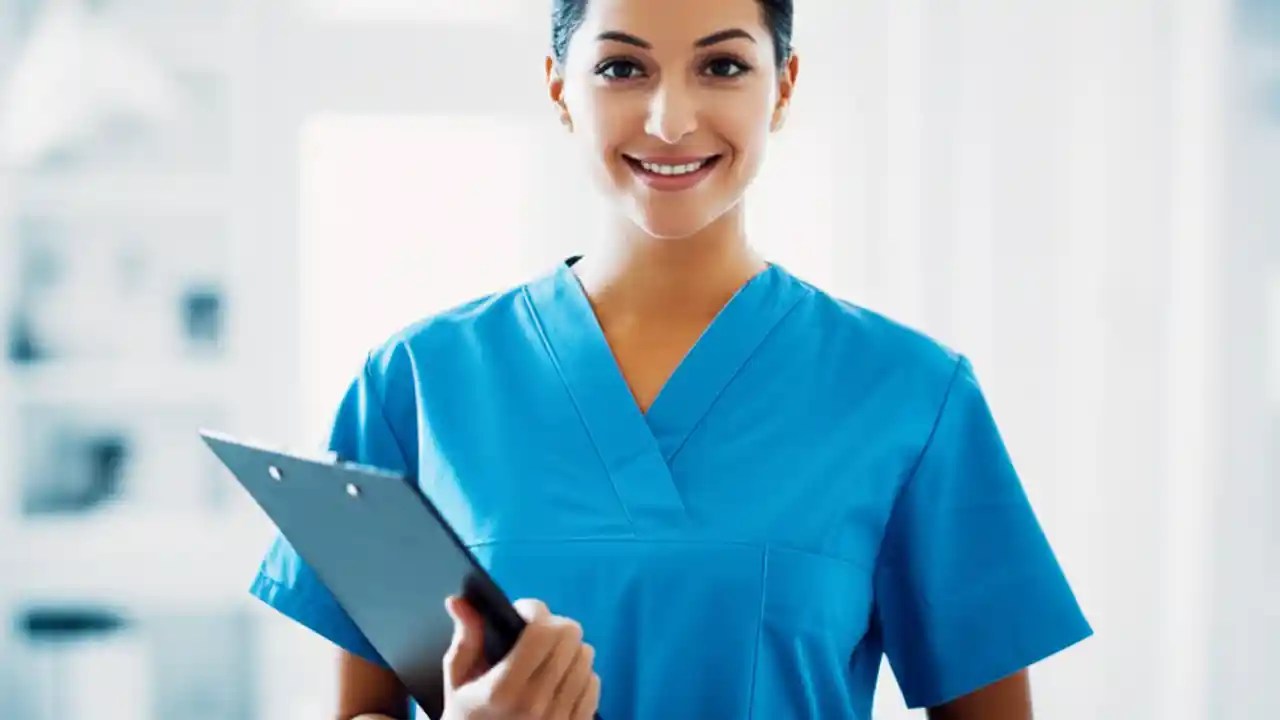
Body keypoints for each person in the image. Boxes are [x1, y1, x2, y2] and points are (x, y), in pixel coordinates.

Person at [249, 0, 1093, 718]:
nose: (671, 120)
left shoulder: (912, 397)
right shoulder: (415, 386)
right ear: (559, 87)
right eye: (622, 69)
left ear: (784, 87)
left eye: (722, 67)